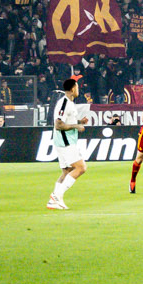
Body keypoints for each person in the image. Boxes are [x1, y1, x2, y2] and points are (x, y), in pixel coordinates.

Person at [48, 76, 89, 211]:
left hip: (64, 141)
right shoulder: (64, 103)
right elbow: (59, 124)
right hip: (65, 141)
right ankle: (56, 196)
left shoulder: (70, 103)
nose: (78, 89)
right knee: (81, 167)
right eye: (77, 87)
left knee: (67, 171)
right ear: (72, 89)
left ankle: (52, 201)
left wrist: (79, 122)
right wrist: (76, 127)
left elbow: (67, 122)